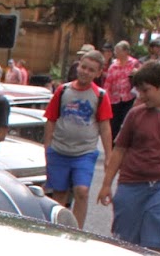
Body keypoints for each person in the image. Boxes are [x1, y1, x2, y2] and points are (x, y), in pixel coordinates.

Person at [96, 61, 160, 253]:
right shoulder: (135, 115)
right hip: (131, 183)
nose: (141, 96)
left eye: (146, 91)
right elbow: (120, 150)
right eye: (138, 92)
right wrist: (107, 183)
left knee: (157, 241)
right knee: (124, 241)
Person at [43, 50, 113, 227]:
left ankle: (78, 230)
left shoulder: (100, 95)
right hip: (59, 150)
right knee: (59, 193)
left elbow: (105, 127)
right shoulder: (63, 91)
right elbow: (51, 119)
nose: (85, 72)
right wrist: (48, 147)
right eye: (83, 67)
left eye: (91, 70)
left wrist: (109, 156)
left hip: (84, 152)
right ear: (78, 65)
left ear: (98, 73)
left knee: (82, 191)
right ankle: (58, 227)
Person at [104, 41, 140, 139]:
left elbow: (141, 79)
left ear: (125, 51)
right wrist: (106, 98)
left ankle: (123, 143)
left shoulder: (134, 63)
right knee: (114, 124)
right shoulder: (113, 65)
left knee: (126, 121)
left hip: (129, 97)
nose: (116, 53)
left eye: (118, 50)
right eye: (116, 50)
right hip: (115, 99)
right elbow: (108, 83)